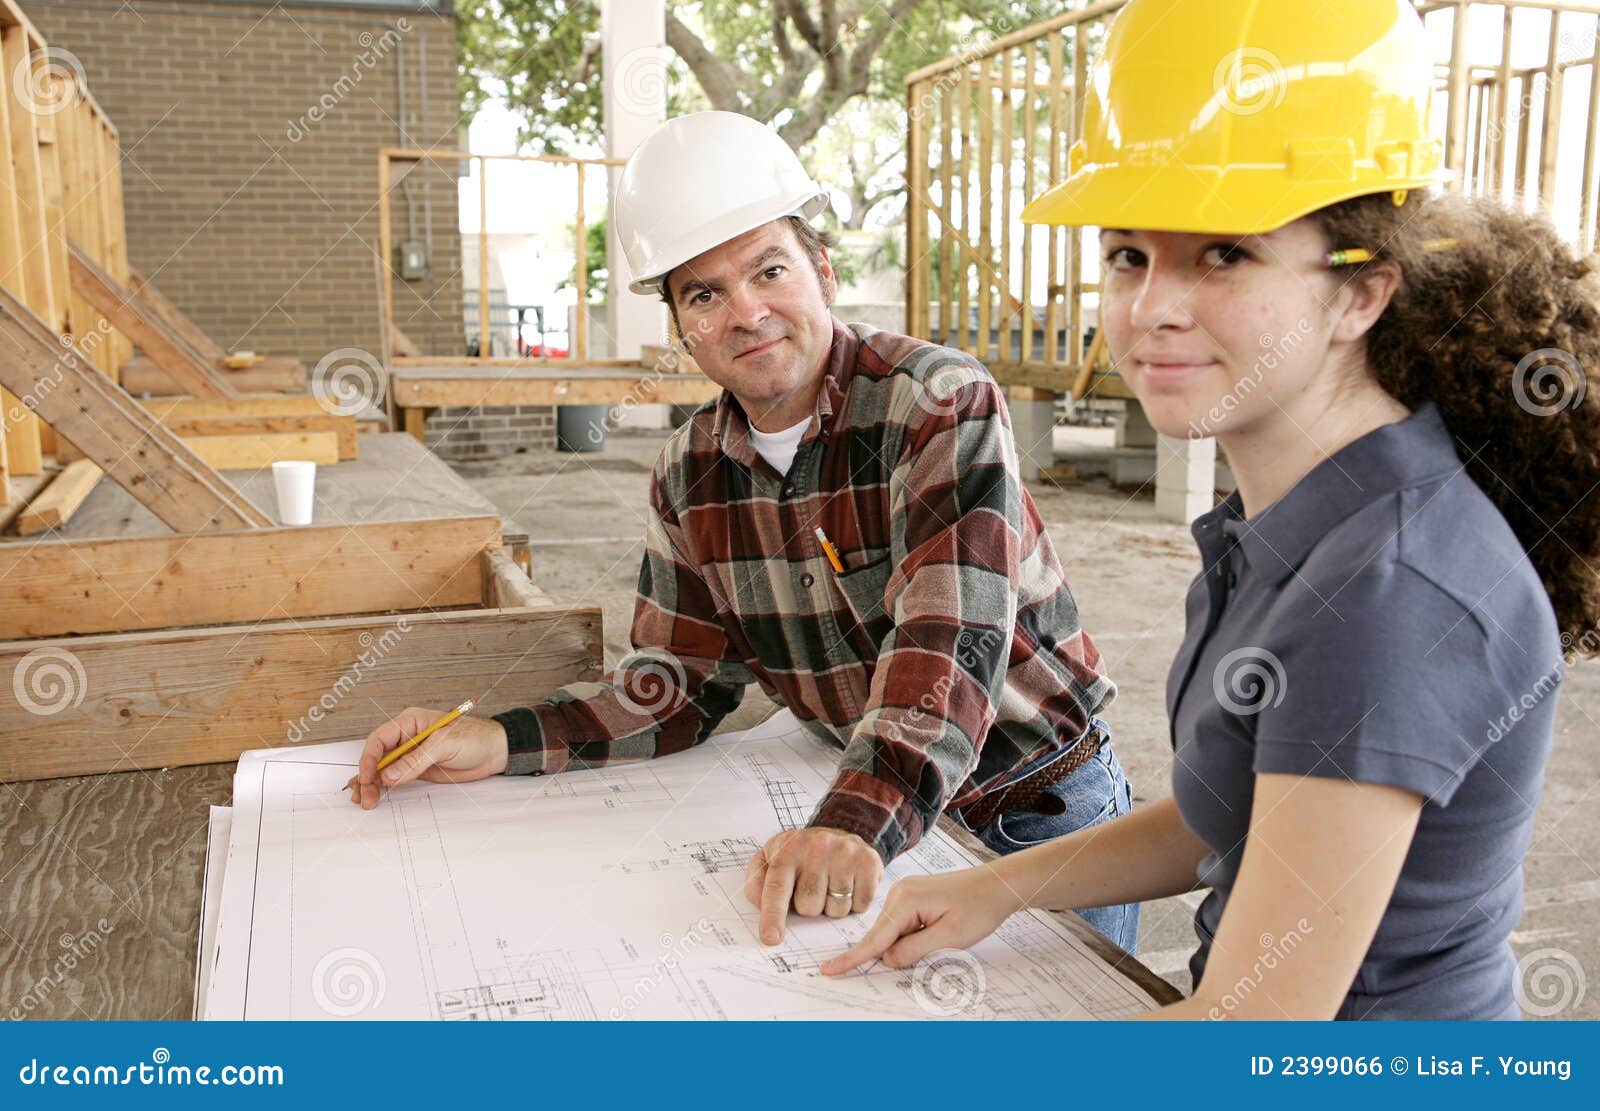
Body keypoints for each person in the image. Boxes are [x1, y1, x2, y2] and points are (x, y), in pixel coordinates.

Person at [821, 0, 1599, 1019]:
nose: (1153, 308)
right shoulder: (1293, 519)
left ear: (1362, 292)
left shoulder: (1386, 587)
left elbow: (1246, 1036)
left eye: (1224, 253)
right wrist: (996, 884)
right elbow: (1221, 816)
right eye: (1129, 253)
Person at [346, 110, 1140, 953]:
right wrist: (499, 738)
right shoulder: (690, 473)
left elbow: (949, 639)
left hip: (1034, 814)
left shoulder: (937, 402)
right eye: (704, 293)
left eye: (769, 269)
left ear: (823, 271)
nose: (746, 312)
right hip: (873, 816)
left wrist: (852, 822)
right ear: (680, 324)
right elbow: (677, 685)